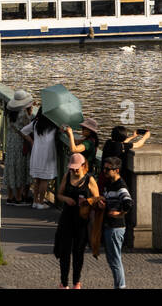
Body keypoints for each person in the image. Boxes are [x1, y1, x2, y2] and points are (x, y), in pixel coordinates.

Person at [53, 153, 99, 289]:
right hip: (67, 218)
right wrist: (66, 199)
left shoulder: (89, 180)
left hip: (81, 219)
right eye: (72, 168)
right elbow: (59, 194)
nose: (74, 171)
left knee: (78, 251)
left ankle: (76, 282)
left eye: (76, 169)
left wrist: (88, 202)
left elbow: (97, 199)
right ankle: (64, 282)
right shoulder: (67, 176)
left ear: (84, 166)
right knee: (64, 251)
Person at [98, 156, 133, 288]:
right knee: (113, 259)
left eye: (108, 169)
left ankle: (120, 286)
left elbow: (128, 203)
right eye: (104, 169)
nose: (104, 171)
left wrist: (119, 213)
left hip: (115, 227)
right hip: (110, 226)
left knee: (115, 260)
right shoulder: (109, 183)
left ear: (116, 170)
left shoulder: (120, 186)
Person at [4, 90, 35, 204]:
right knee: (20, 168)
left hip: (11, 142)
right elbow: (27, 128)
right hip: (20, 143)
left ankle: (10, 197)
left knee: (11, 168)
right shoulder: (23, 114)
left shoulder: (10, 112)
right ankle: (18, 197)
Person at [22, 112, 59, 209]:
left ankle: (35, 201)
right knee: (44, 179)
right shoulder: (54, 125)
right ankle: (41, 202)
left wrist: (31, 141)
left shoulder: (35, 123)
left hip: (36, 153)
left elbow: (23, 131)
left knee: (37, 179)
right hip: (47, 154)